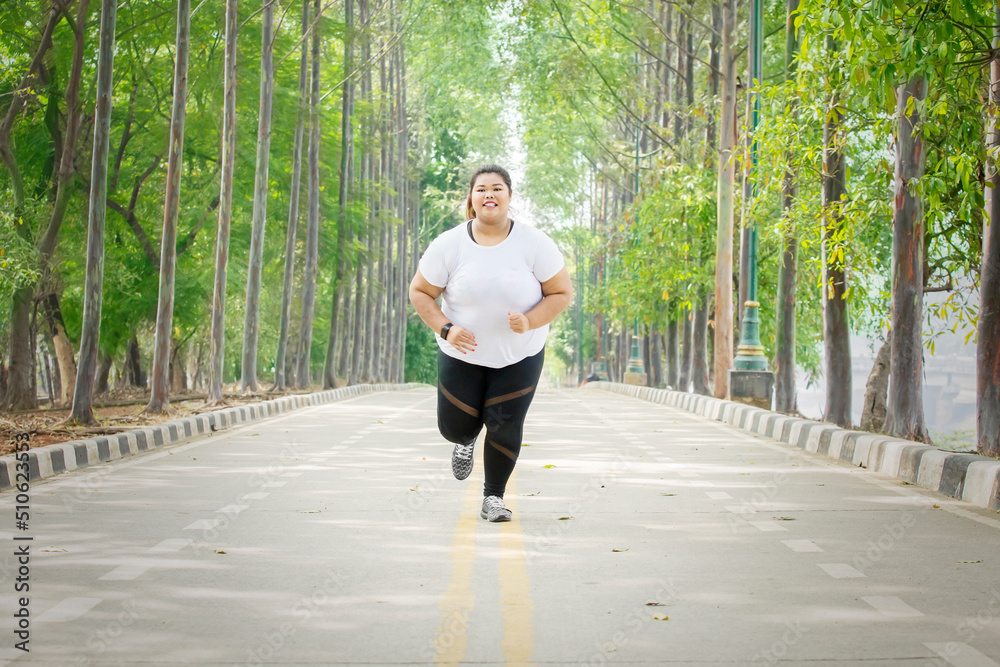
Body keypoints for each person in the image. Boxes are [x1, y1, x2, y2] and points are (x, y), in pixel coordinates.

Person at [408, 164, 572, 522]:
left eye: (497, 188)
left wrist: (530, 320)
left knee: (504, 424)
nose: (489, 195)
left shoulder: (535, 244)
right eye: (481, 189)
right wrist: (445, 328)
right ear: (471, 197)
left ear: (509, 197)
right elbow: (420, 291)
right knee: (455, 426)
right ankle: (465, 441)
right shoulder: (449, 244)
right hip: (461, 353)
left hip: (519, 354)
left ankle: (493, 497)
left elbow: (561, 293)